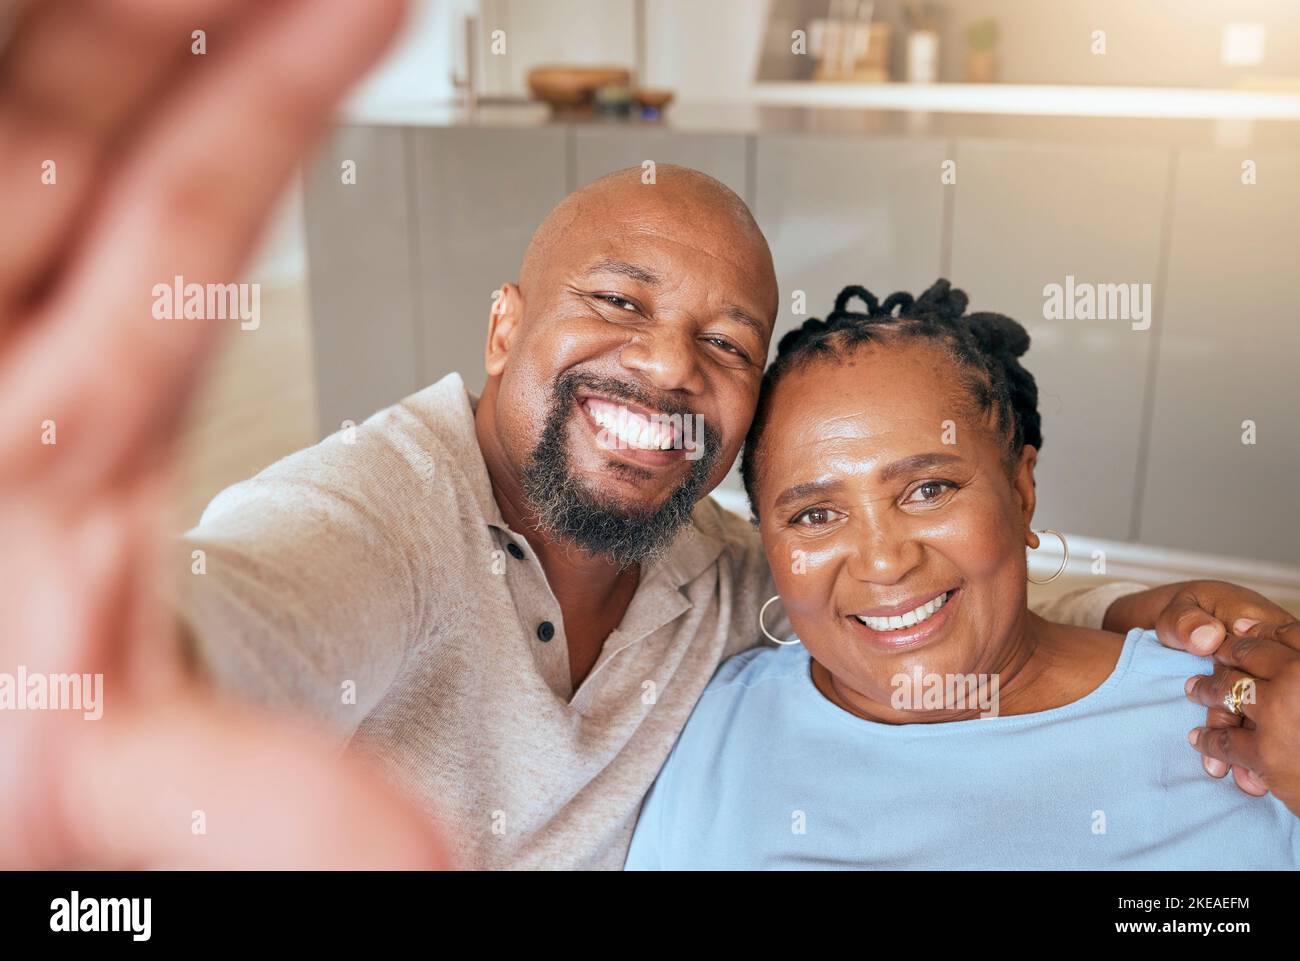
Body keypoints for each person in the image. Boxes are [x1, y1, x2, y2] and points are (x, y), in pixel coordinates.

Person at [1, 0, 1293, 871]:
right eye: (618, 304)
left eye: (727, 342)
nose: (669, 364)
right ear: (504, 326)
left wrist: (1147, 605)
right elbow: (244, 602)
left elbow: (906, 586)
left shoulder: (712, 571)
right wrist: (97, 677)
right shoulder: (373, 523)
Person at [624, 282, 1300, 869]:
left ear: (1021, 488)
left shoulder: (1240, 719)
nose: (884, 560)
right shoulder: (711, 730)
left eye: (929, 489)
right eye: (816, 513)